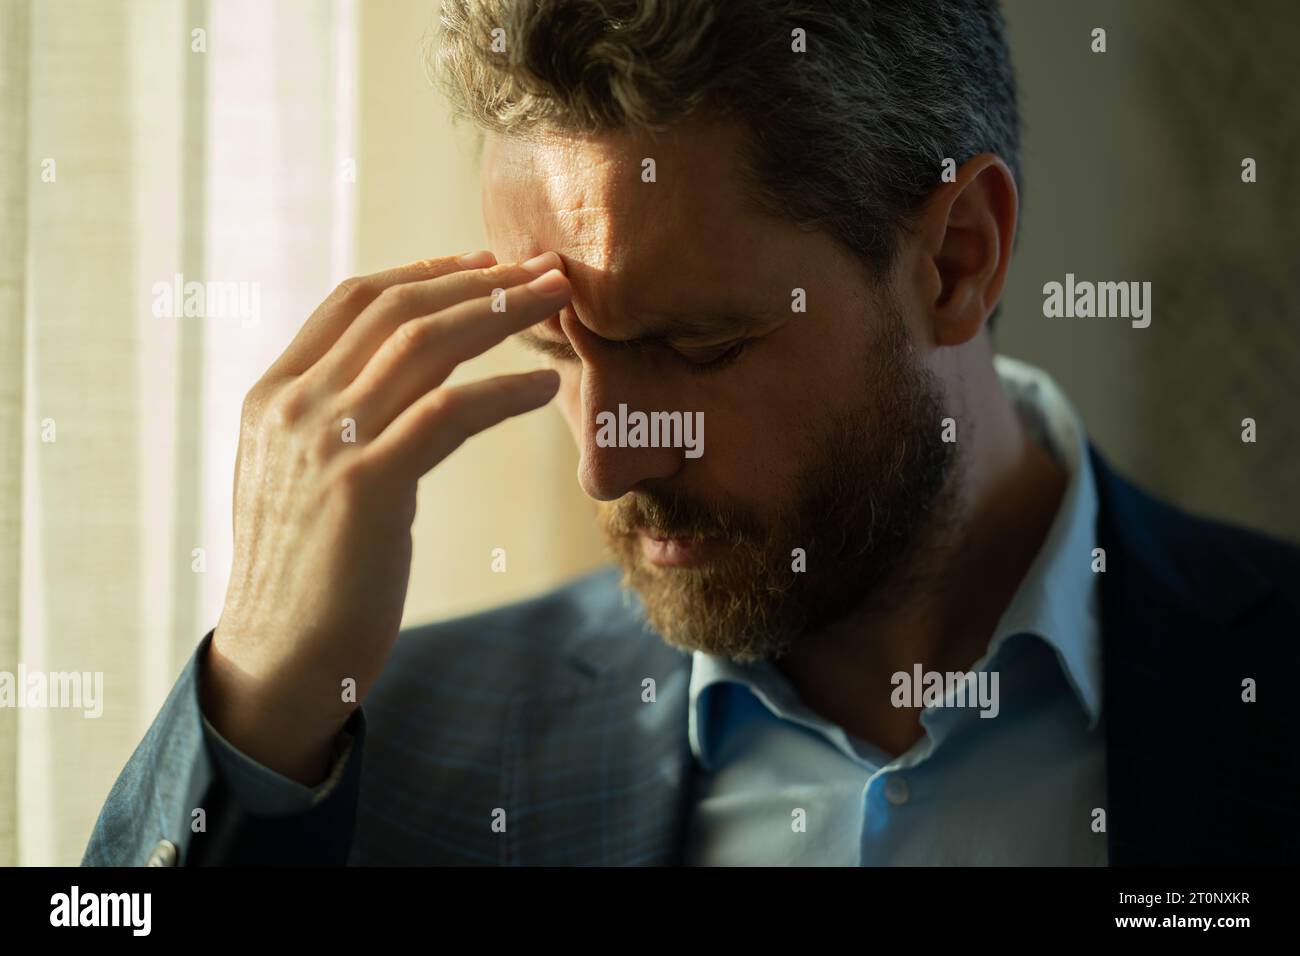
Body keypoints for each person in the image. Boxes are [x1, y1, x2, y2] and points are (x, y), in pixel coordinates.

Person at [84, 0, 1298, 866]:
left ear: (957, 259)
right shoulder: (378, 752)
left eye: (698, 347)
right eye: (560, 352)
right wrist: (255, 710)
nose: (605, 459)